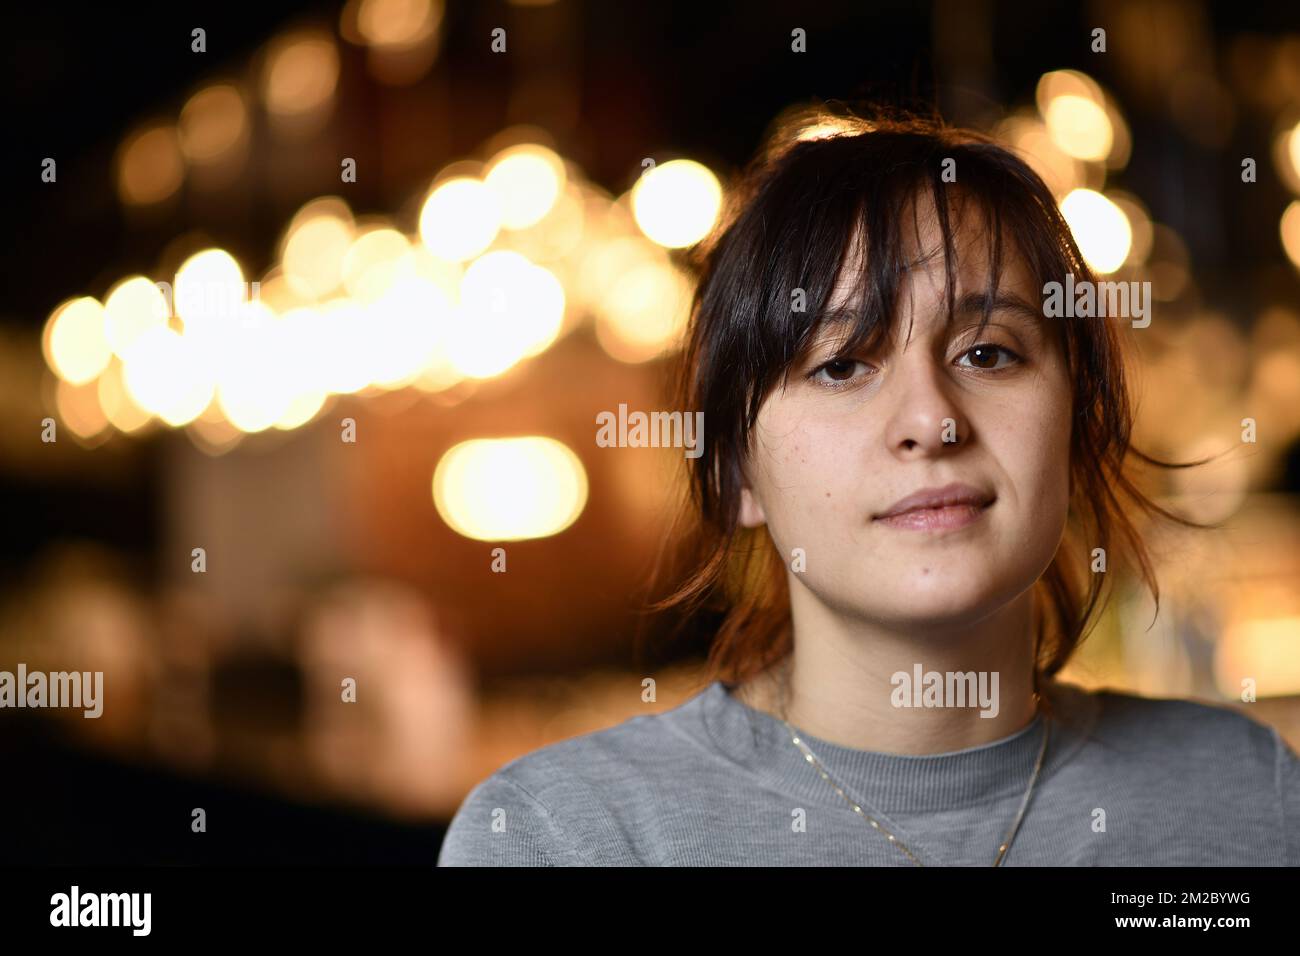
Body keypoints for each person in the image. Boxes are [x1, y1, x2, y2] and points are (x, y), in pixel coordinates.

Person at [437, 109, 1300, 866]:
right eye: (842, 365)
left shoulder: (1247, 800)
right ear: (737, 473)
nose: (931, 420)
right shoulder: (569, 839)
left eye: (987, 353)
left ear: (1077, 425)